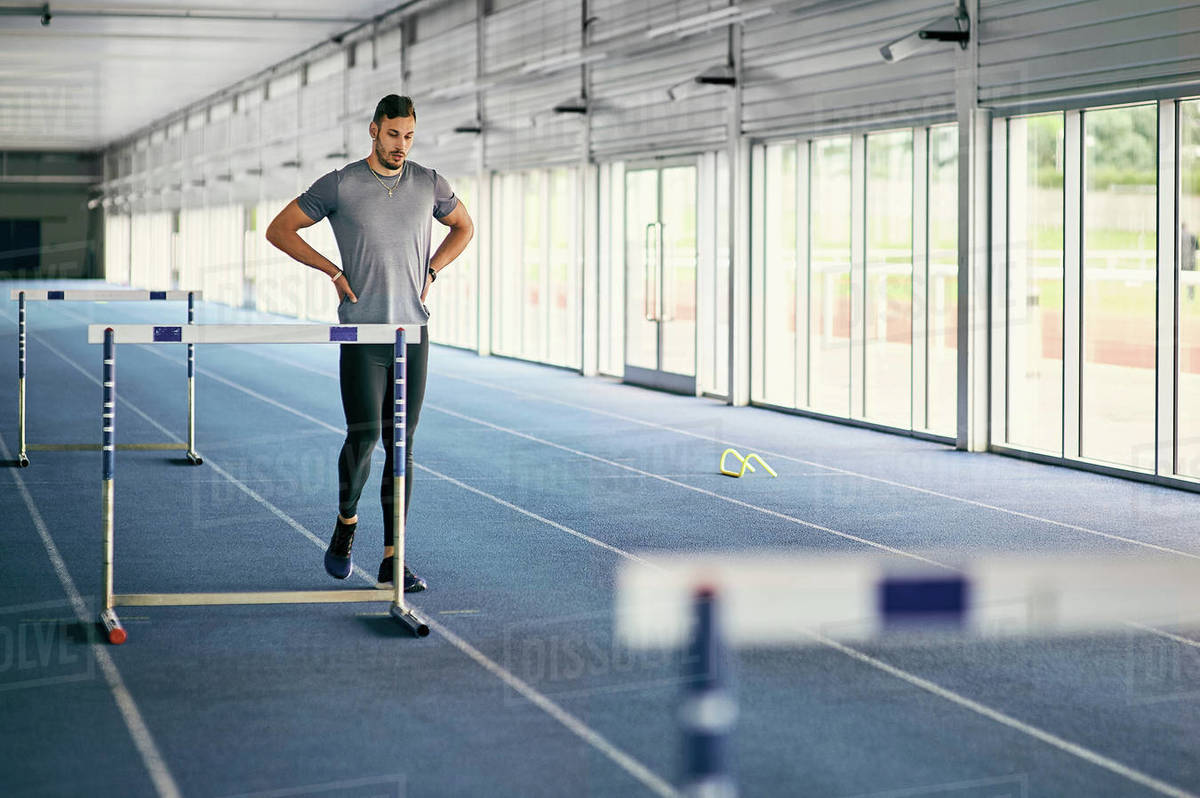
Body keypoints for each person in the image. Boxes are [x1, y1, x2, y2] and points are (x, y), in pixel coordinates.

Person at [265, 95, 474, 591]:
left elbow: (464, 226)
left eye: (409, 136)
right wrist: (332, 271)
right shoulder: (340, 184)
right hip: (362, 334)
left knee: (402, 445)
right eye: (393, 135)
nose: (401, 145)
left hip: (412, 336)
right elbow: (280, 230)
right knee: (364, 440)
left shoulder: (429, 183)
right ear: (374, 131)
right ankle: (346, 523)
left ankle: (392, 558)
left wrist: (434, 269)